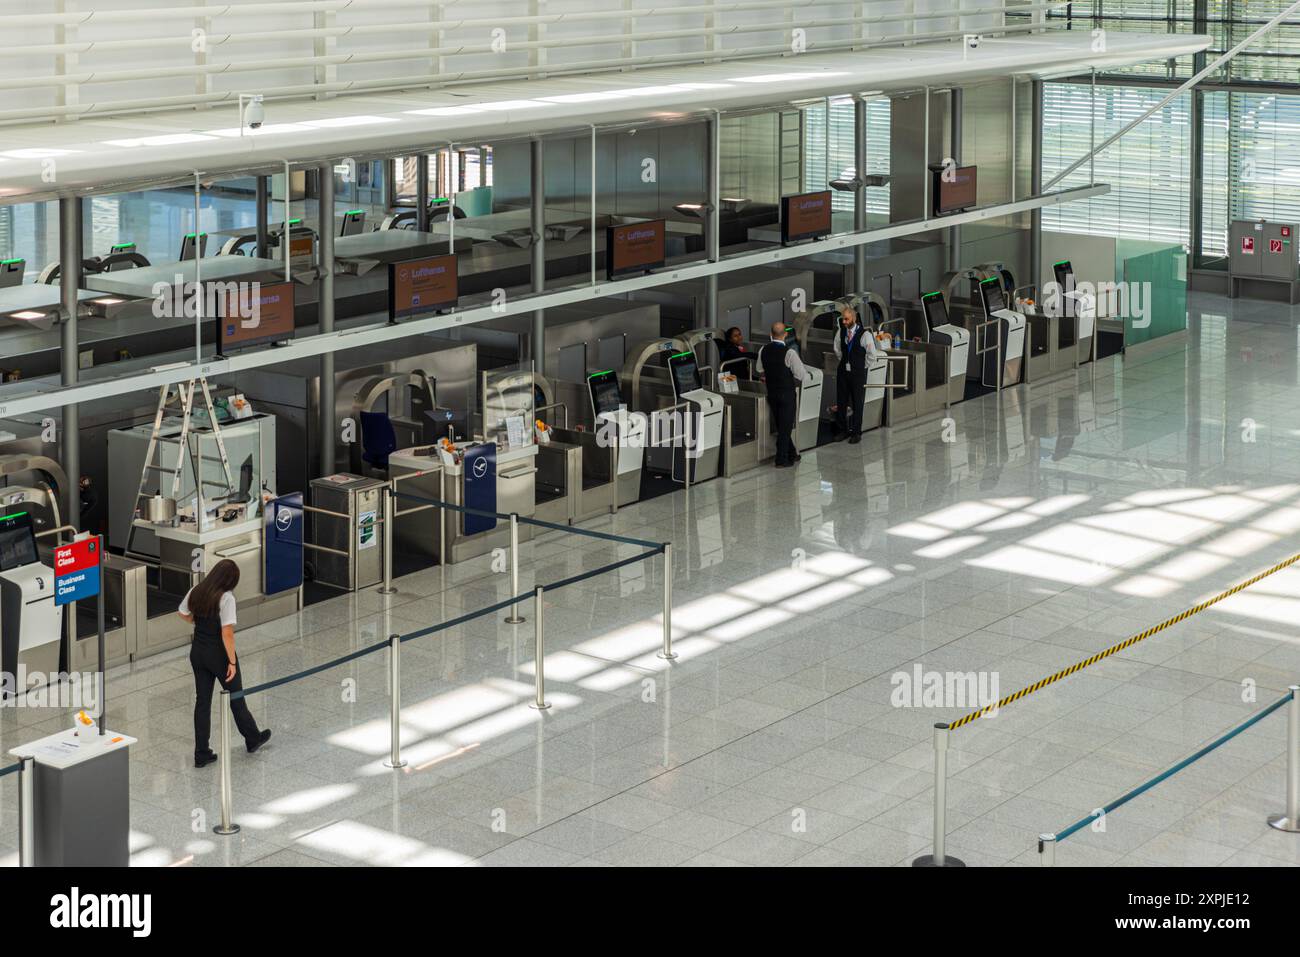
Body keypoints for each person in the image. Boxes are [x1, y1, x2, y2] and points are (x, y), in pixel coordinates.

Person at [178, 559, 271, 768]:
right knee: (236, 697)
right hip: (218, 654)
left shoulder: (197, 589)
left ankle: (201, 753)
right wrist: (231, 662)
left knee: (202, 702)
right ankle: (252, 738)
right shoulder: (226, 598)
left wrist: (198, 622)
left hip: (198, 652)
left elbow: (182, 612)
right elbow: (227, 634)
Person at [756, 320, 806, 468]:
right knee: (786, 427)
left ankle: (792, 452)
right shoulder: (790, 353)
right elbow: (801, 375)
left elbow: (759, 369)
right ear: (785, 335)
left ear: (771, 334)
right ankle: (781, 459)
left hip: (772, 392)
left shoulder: (763, 350)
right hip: (787, 393)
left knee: (781, 424)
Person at [831, 304, 878, 445]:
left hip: (858, 373)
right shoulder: (841, 332)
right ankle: (842, 430)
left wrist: (861, 367)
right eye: (843, 319)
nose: (844, 322)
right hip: (844, 372)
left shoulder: (865, 335)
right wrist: (846, 362)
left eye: (846, 319)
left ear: (854, 319)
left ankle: (856, 432)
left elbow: (872, 356)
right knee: (841, 400)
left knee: (858, 402)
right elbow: (837, 350)